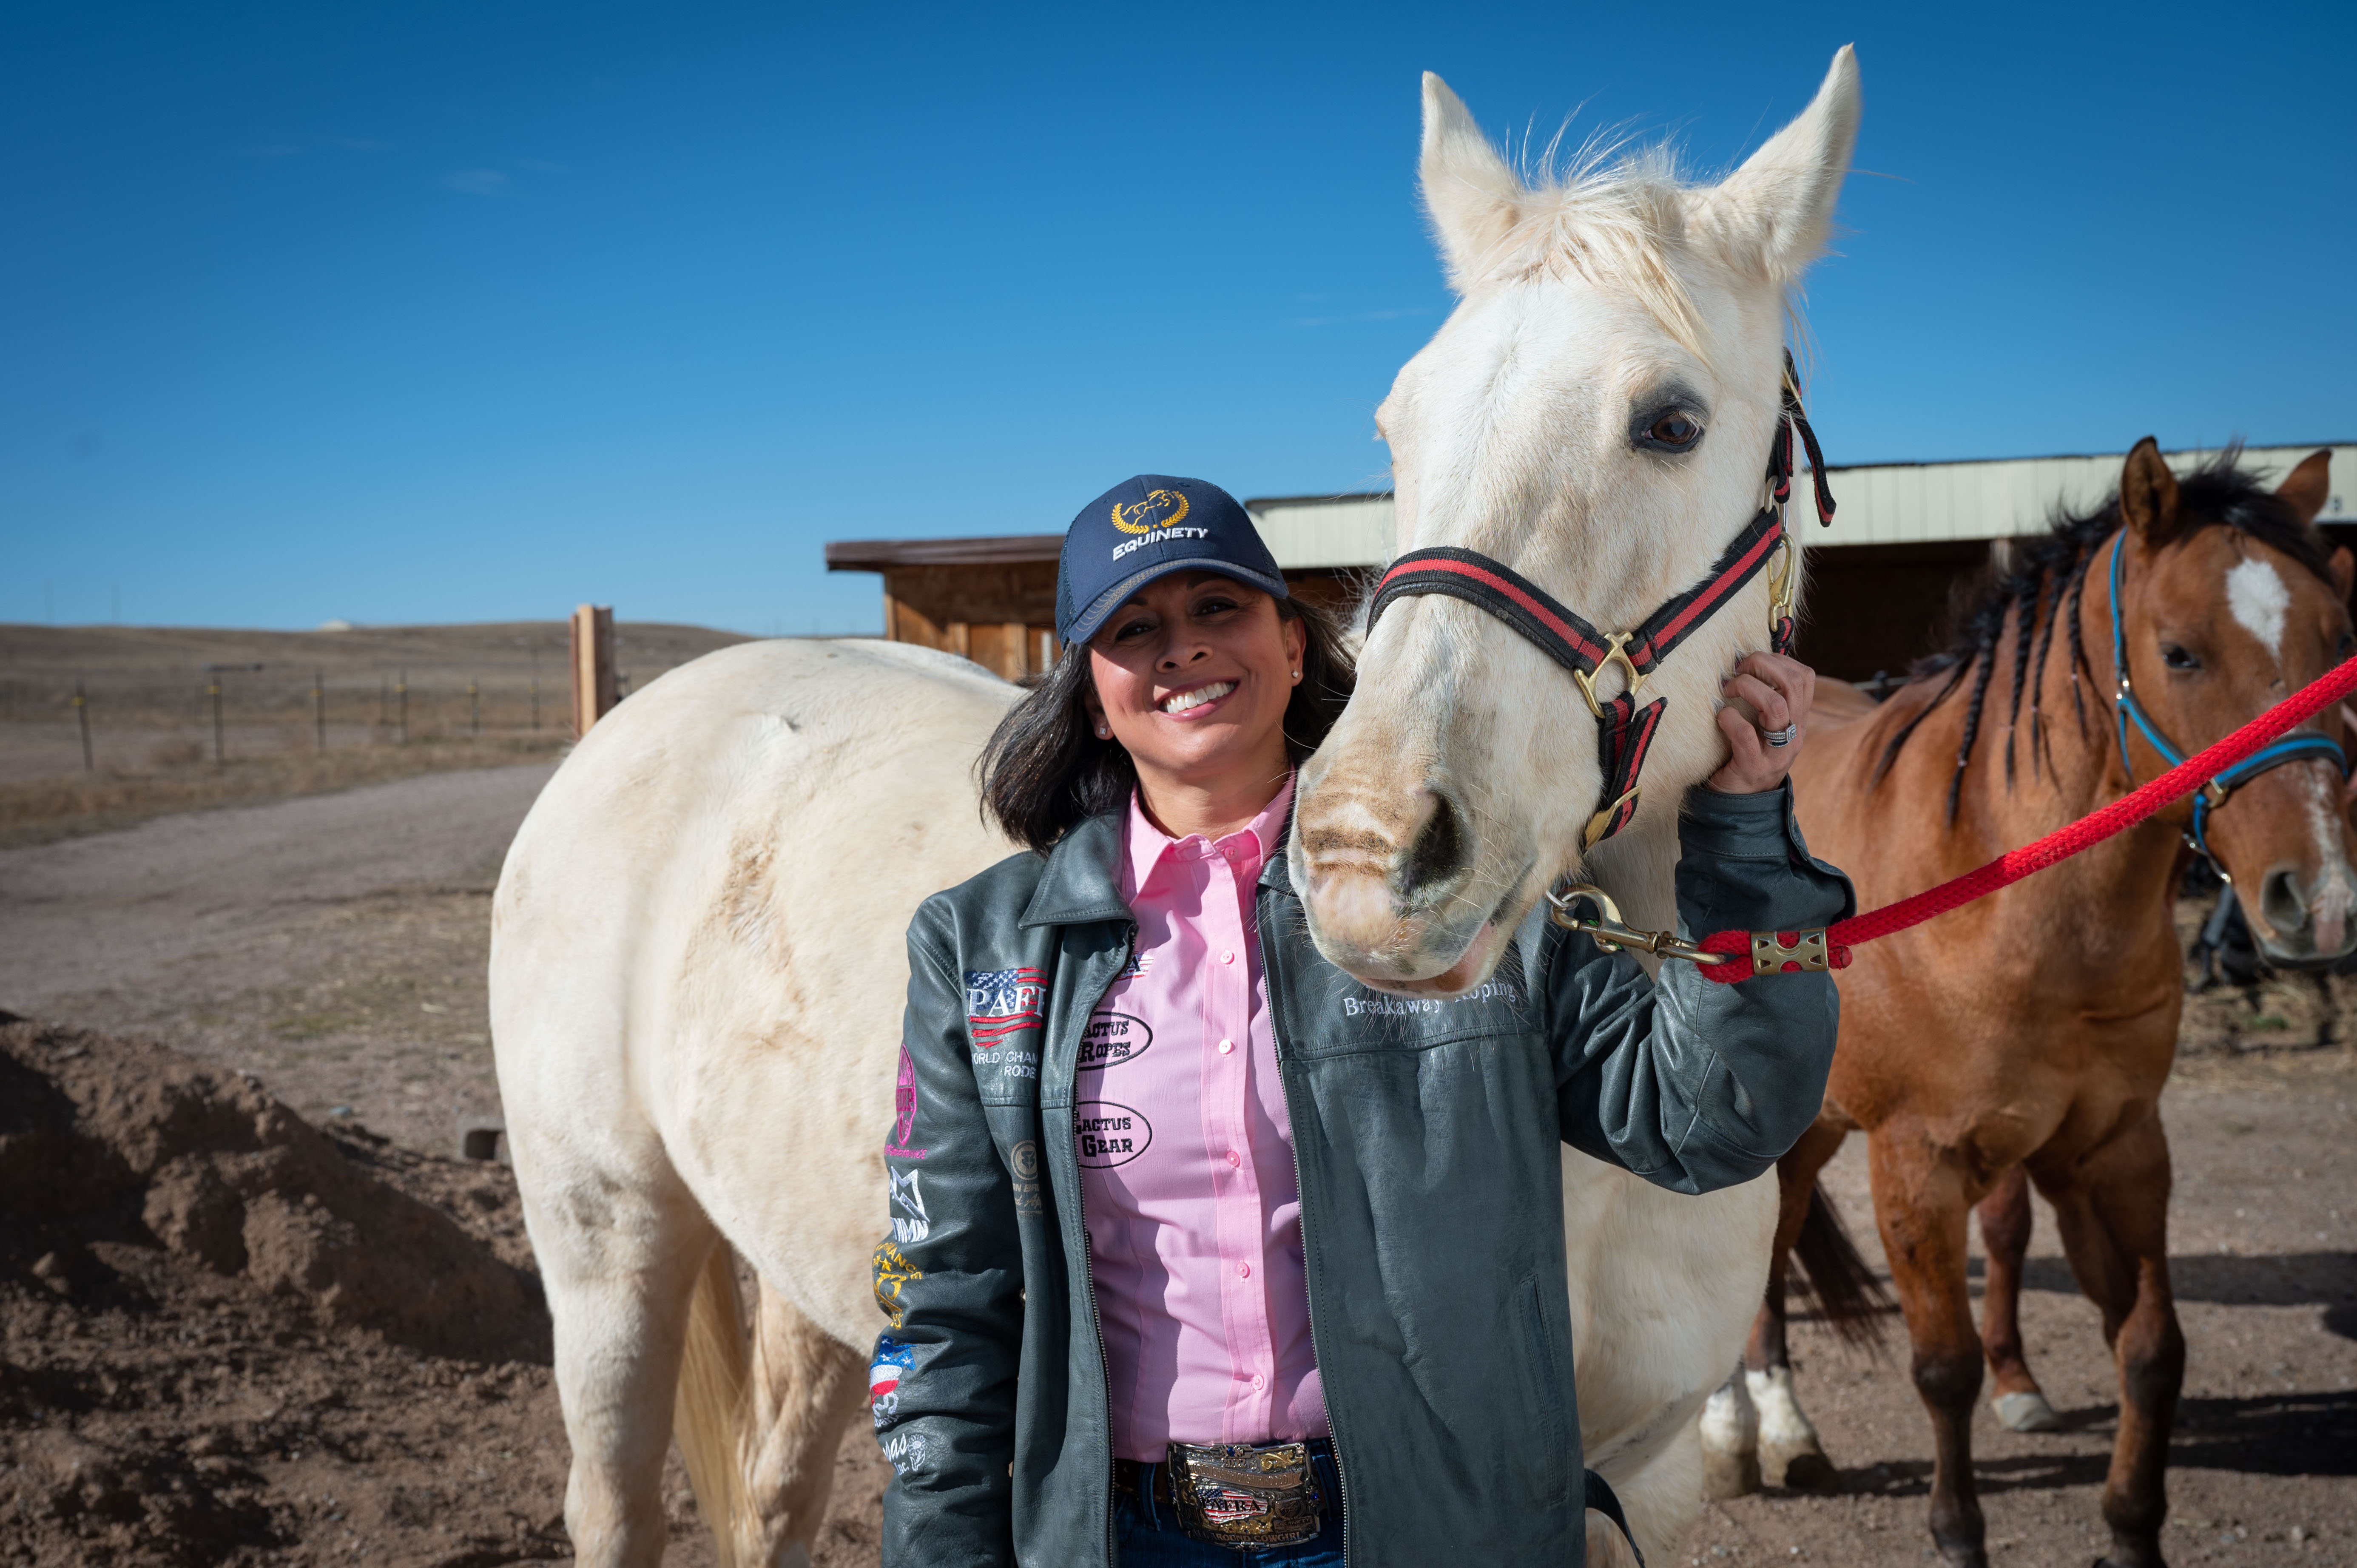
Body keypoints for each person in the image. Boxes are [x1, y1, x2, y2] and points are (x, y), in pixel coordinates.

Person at [870, 475, 1851, 1567]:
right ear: (1093, 693)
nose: (1182, 648)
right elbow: (944, 1299)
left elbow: (1716, 1116)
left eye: (1218, 609)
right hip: (1118, 1535)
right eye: (1134, 628)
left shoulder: (1459, 890)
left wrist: (1746, 837)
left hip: (1427, 1526)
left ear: (1294, 646)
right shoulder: (983, 945)